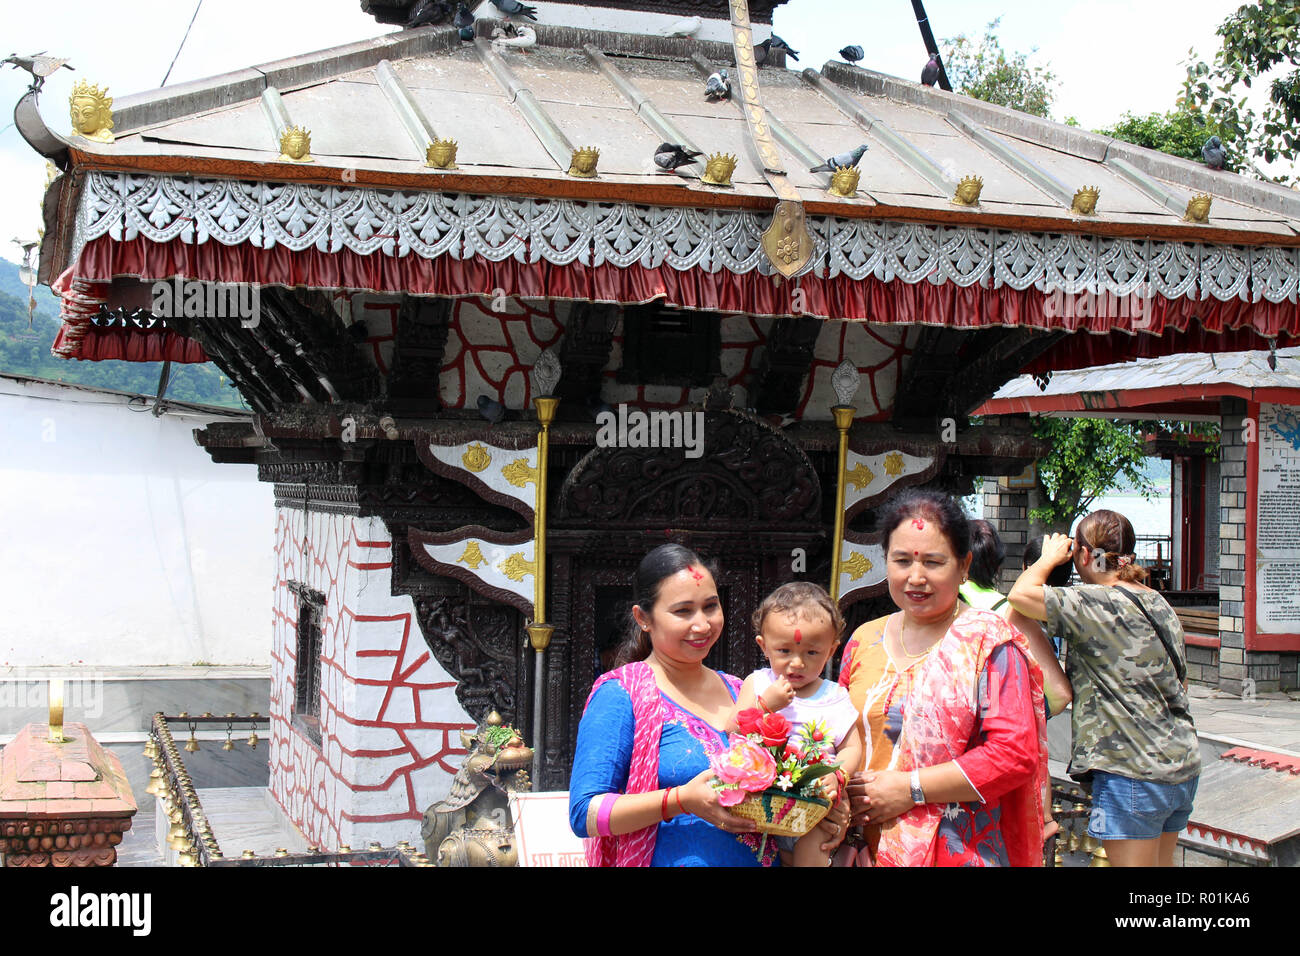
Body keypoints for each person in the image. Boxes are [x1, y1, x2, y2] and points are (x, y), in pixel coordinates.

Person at [568, 544, 848, 866]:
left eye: (710, 606)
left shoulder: (742, 690)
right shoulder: (622, 695)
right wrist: (679, 800)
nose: (702, 625)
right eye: (683, 611)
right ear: (643, 618)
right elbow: (584, 814)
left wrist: (829, 807)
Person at [840, 490, 1048, 866]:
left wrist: (911, 788)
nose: (915, 577)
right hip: (859, 849)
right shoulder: (862, 640)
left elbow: (1012, 754)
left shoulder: (988, 645)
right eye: (901, 560)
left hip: (953, 847)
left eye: (934, 562)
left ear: (964, 565)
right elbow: (837, 737)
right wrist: (845, 834)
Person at [1008, 510, 1200, 868]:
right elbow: (1181, 682)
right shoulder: (1159, 603)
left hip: (1132, 772)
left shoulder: (1093, 603)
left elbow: (1020, 596)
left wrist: (1048, 559)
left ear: (1084, 555)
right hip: (1181, 765)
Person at [725, 581, 864, 867]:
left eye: (812, 653)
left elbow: (852, 747)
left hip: (813, 807)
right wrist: (766, 705)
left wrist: (839, 775)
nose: (797, 663)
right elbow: (732, 728)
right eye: (785, 651)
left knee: (816, 845)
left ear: (831, 650)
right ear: (764, 646)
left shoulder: (836, 696)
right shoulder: (759, 683)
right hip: (761, 801)